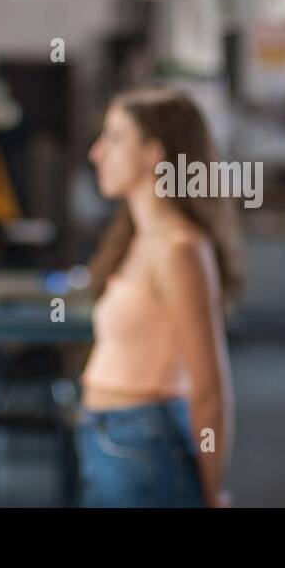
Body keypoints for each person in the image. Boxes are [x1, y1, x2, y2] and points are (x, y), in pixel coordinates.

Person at [77, 86, 240, 508]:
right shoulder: (138, 238)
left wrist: (212, 492)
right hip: (110, 439)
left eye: (114, 138)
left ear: (153, 153)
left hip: (144, 445)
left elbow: (210, 390)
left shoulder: (180, 248)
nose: (97, 153)